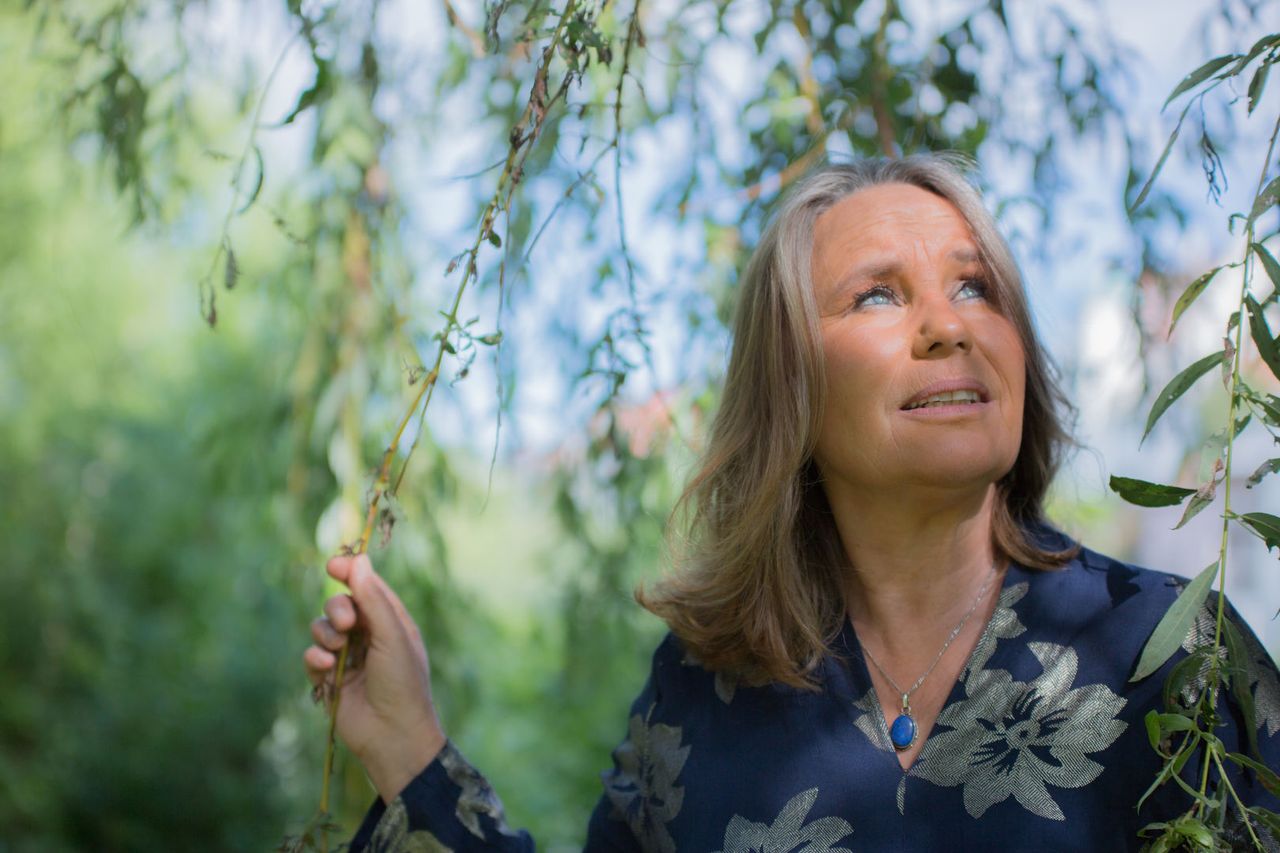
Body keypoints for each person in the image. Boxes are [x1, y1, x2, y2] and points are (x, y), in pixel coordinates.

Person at [304, 154, 1280, 851]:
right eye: (876, 295)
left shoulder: (1173, 659)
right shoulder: (705, 691)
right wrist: (408, 748)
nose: (948, 325)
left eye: (977, 288)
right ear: (791, 390)